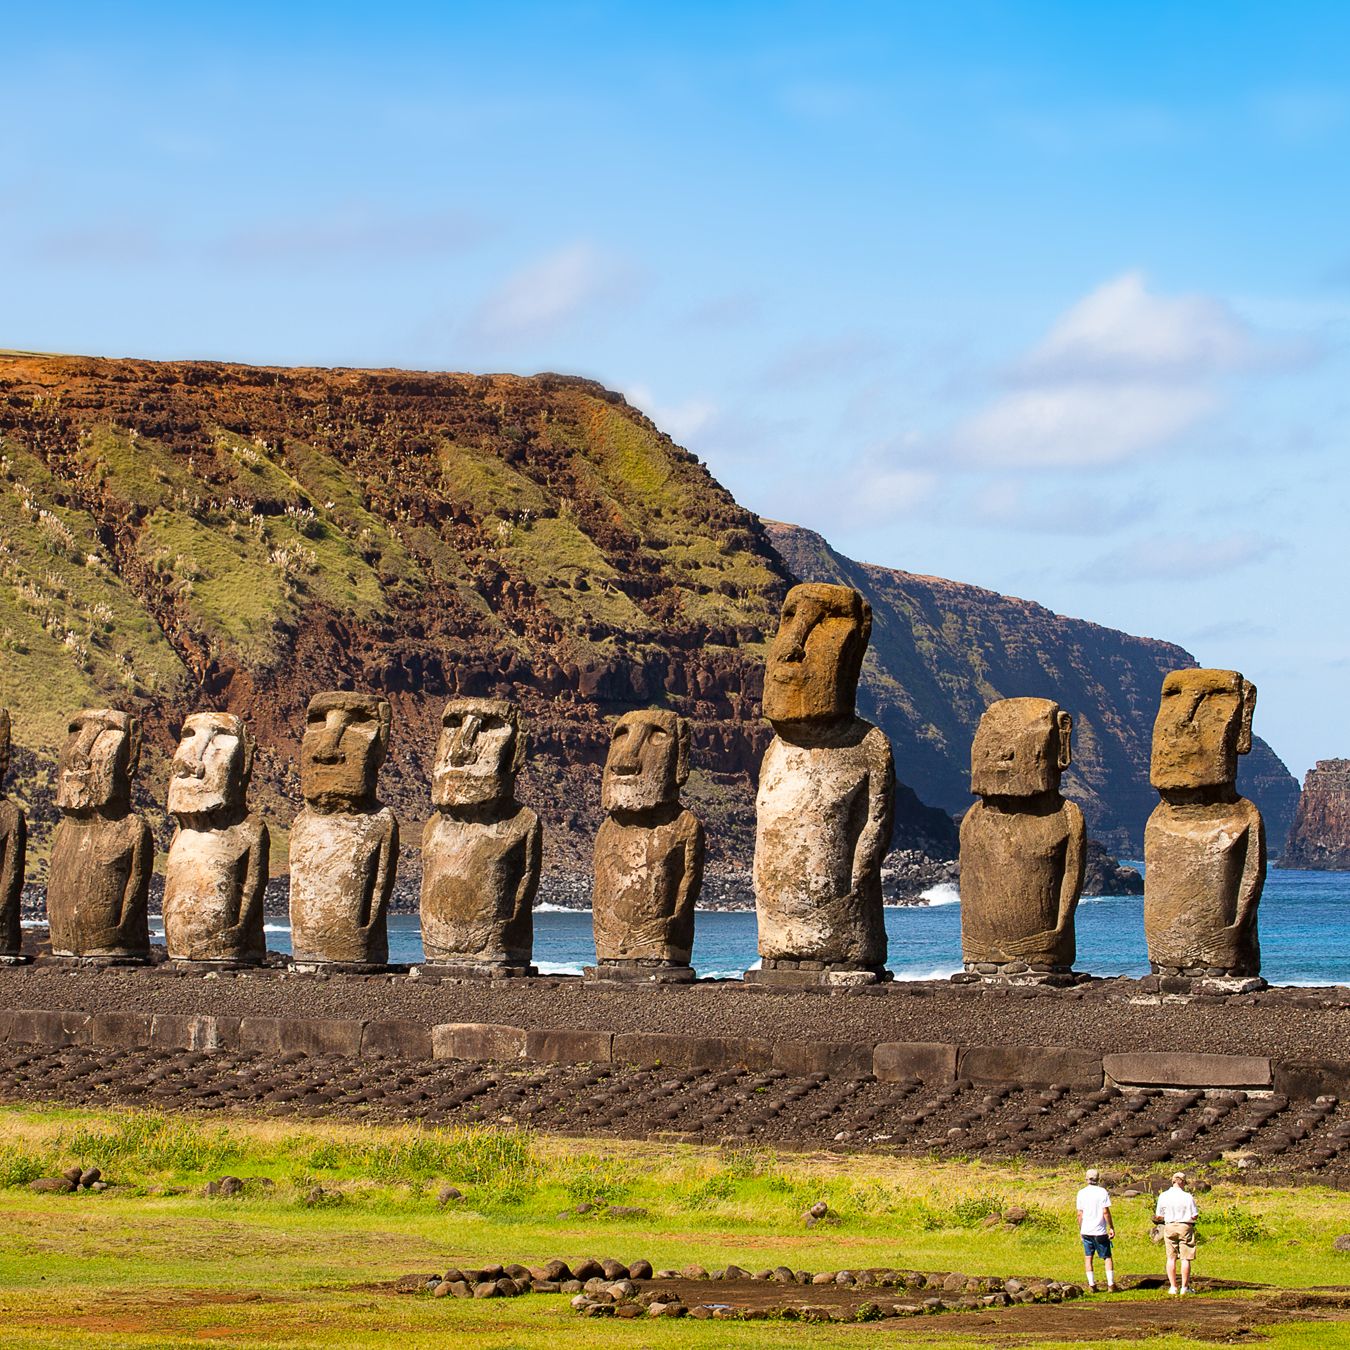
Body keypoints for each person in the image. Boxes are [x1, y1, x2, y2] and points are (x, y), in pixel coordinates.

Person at [1154, 1171, 1200, 1296]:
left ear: (1173, 1181)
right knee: (1185, 1258)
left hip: (1169, 1226)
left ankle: (1173, 1287)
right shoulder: (1187, 1196)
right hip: (1185, 1226)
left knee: (1171, 1257)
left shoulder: (1164, 1195)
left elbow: (1159, 1215)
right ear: (1183, 1182)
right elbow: (1195, 1215)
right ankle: (1184, 1288)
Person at [1076, 1167, 1116, 1292]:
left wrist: (1081, 1229)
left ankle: (1092, 1285)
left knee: (1088, 1257)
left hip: (1086, 1230)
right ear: (1098, 1179)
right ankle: (1110, 1284)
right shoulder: (1102, 1192)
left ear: (1086, 1179)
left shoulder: (1081, 1193)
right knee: (1107, 1257)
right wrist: (1111, 1227)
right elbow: (1105, 1211)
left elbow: (1079, 1214)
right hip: (1099, 1231)